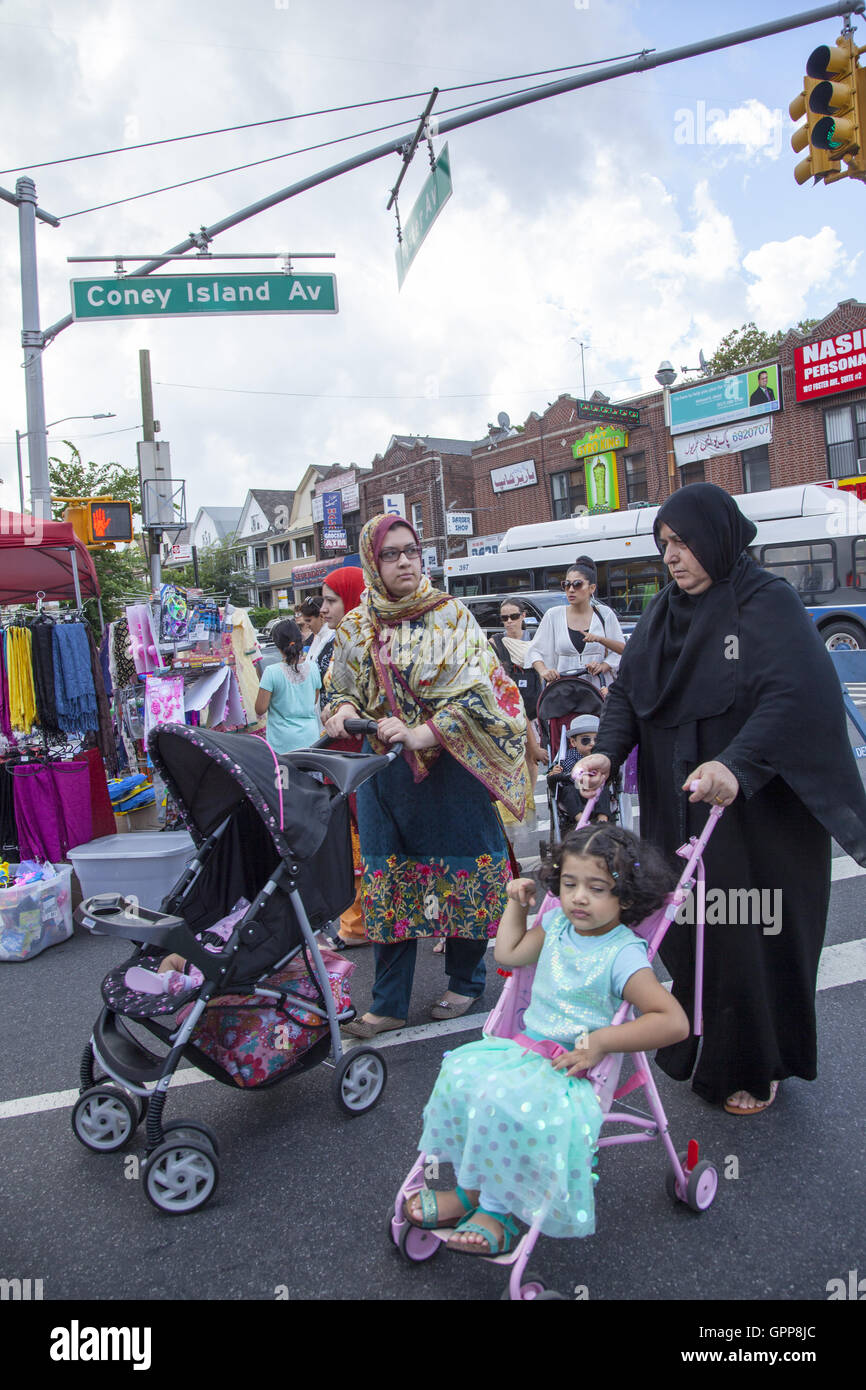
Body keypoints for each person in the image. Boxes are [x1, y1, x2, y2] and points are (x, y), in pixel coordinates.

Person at [576, 483, 866, 1115]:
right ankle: (704, 1040)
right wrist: (606, 751)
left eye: (683, 543)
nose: (673, 558)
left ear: (718, 536)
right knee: (688, 931)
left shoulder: (769, 603)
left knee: (747, 933)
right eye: (664, 546)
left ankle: (756, 1063)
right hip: (680, 805)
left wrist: (735, 765)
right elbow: (629, 693)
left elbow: (795, 696)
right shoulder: (662, 611)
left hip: (755, 815)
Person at [403, 824, 687, 1255]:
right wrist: (517, 906)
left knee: (506, 1102)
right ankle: (468, 1190)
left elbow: (672, 1021)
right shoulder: (556, 925)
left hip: (571, 1067)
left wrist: (603, 1041)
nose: (578, 897)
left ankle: (495, 1212)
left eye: (597, 888)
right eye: (569, 884)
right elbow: (509, 953)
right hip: (522, 1049)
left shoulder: (622, 952)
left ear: (625, 898)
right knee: (460, 1076)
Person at [322, 513, 526, 1036]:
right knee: (388, 881)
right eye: (391, 554)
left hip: (452, 770)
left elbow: (484, 696)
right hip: (383, 776)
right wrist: (343, 712)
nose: (405, 561)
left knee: (463, 874)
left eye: (412, 550)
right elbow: (338, 688)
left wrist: (422, 733)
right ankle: (388, 1002)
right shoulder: (356, 626)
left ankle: (465, 981)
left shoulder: (450, 617)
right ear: (373, 561)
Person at [528, 557, 625, 696]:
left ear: (592, 588)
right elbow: (534, 651)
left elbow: (621, 650)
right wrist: (544, 671)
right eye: (566, 584)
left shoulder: (604, 614)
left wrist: (603, 665)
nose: (571, 589)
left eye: (577, 584)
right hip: (564, 694)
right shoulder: (553, 615)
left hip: (598, 692)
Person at [489, 599, 547, 788]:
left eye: (513, 616)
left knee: (532, 757)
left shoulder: (536, 641)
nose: (509, 621)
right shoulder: (495, 643)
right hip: (507, 710)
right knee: (509, 758)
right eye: (504, 618)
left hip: (532, 708)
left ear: (523, 616)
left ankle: (528, 799)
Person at [253, 619, 321, 753]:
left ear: (277, 644)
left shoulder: (271, 672)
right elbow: (314, 700)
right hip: (311, 739)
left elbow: (260, 709)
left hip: (283, 742)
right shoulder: (313, 668)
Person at [547, 714, 610, 826]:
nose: (592, 743)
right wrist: (556, 772)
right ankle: (581, 820)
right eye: (585, 740)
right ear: (573, 742)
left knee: (604, 789)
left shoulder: (601, 755)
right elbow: (566, 772)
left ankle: (602, 819)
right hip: (576, 790)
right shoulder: (569, 756)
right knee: (568, 791)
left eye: (597, 739)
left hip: (595, 789)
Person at [315, 567, 366, 705]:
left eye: (330, 601)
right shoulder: (339, 640)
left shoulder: (370, 646)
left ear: (352, 597)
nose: (323, 609)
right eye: (323, 601)